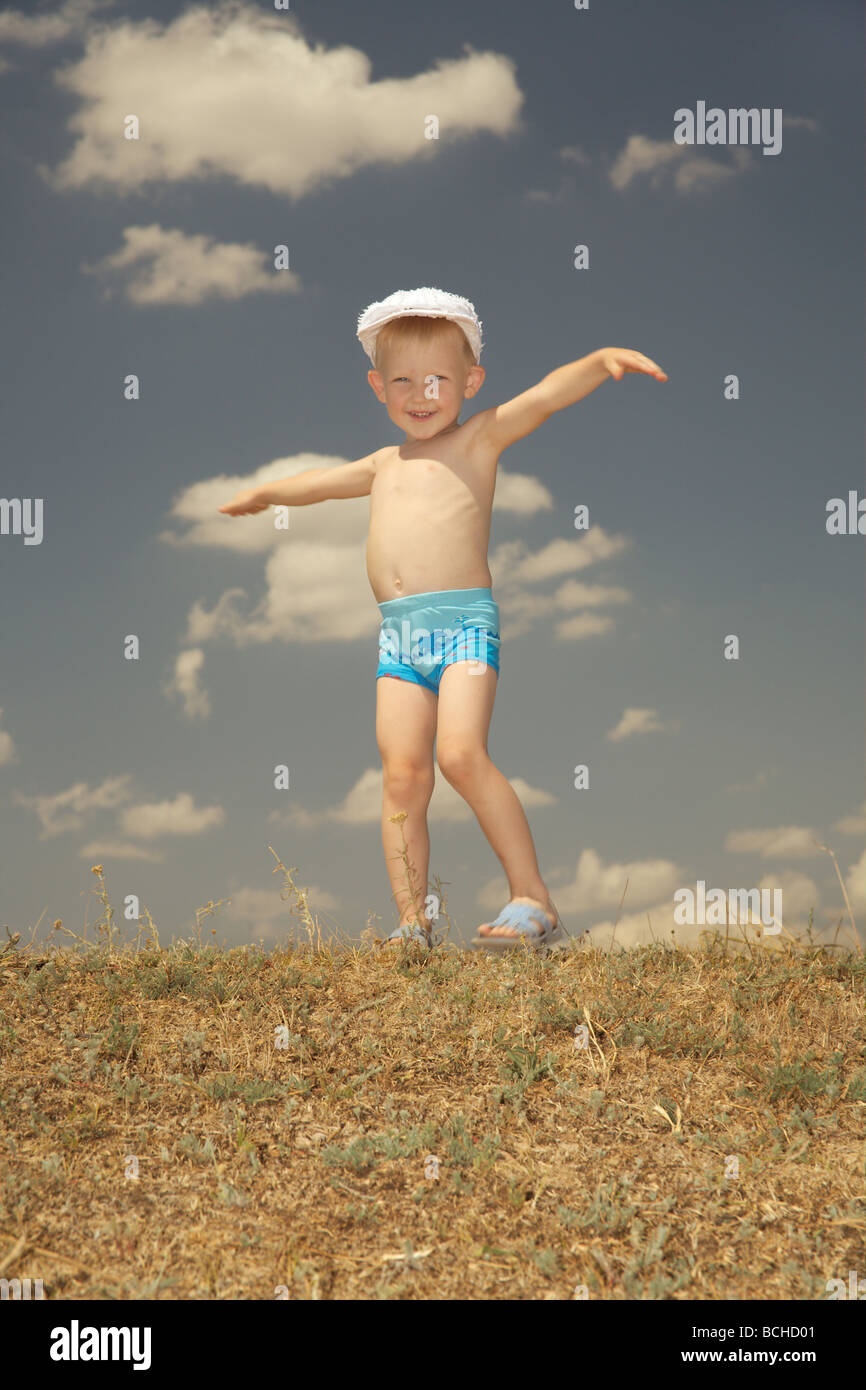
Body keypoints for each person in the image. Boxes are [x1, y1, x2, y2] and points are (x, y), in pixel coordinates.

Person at [219, 287, 667, 951]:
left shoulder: (478, 439)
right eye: (402, 379)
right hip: (397, 636)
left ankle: (531, 897)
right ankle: (411, 922)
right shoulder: (381, 465)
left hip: (462, 625)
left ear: (470, 382)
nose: (420, 393)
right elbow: (316, 482)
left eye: (438, 379)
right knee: (402, 775)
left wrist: (599, 360)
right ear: (377, 386)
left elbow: (543, 397)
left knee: (459, 755)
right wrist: (264, 494)